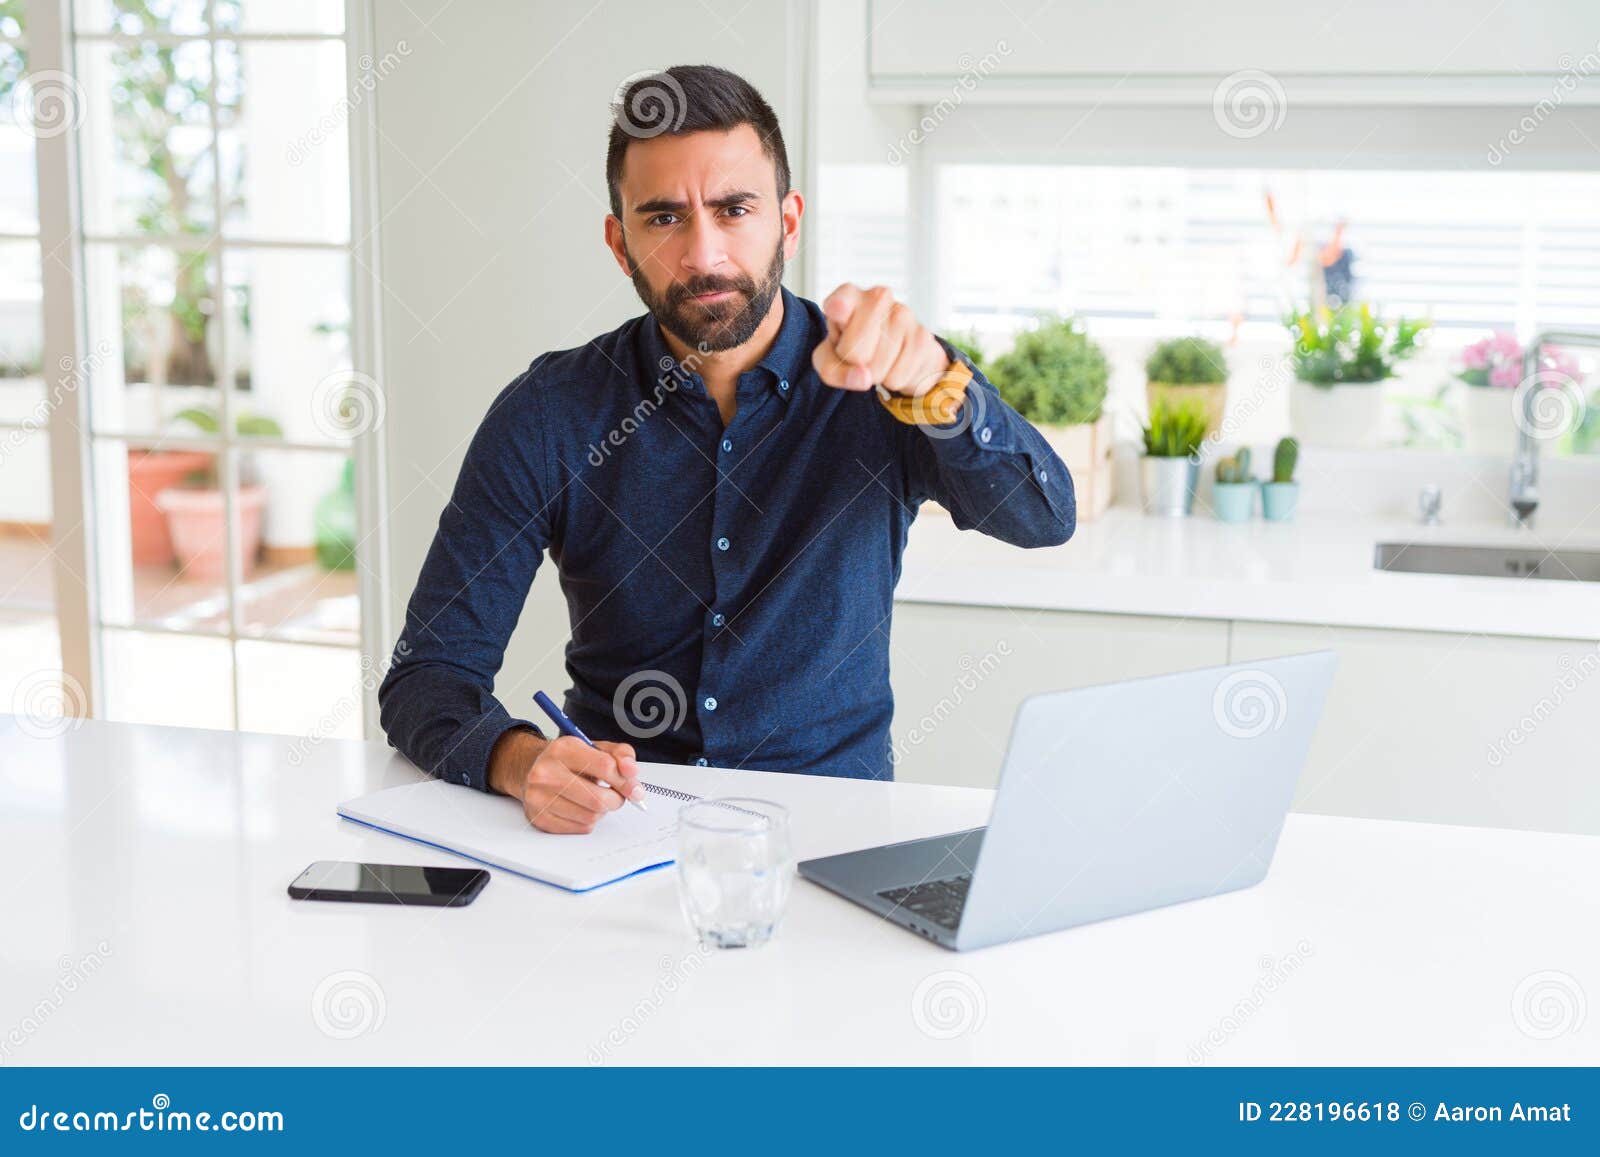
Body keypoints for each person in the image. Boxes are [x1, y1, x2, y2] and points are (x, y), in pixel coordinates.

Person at [379, 64, 1075, 834]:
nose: (704, 256)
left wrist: (937, 385)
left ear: (789, 220)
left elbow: (1044, 517)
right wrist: (520, 760)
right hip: (620, 830)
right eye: (664, 218)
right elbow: (427, 675)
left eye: (734, 209)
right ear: (620, 242)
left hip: (834, 831)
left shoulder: (893, 380)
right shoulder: (550, 412)